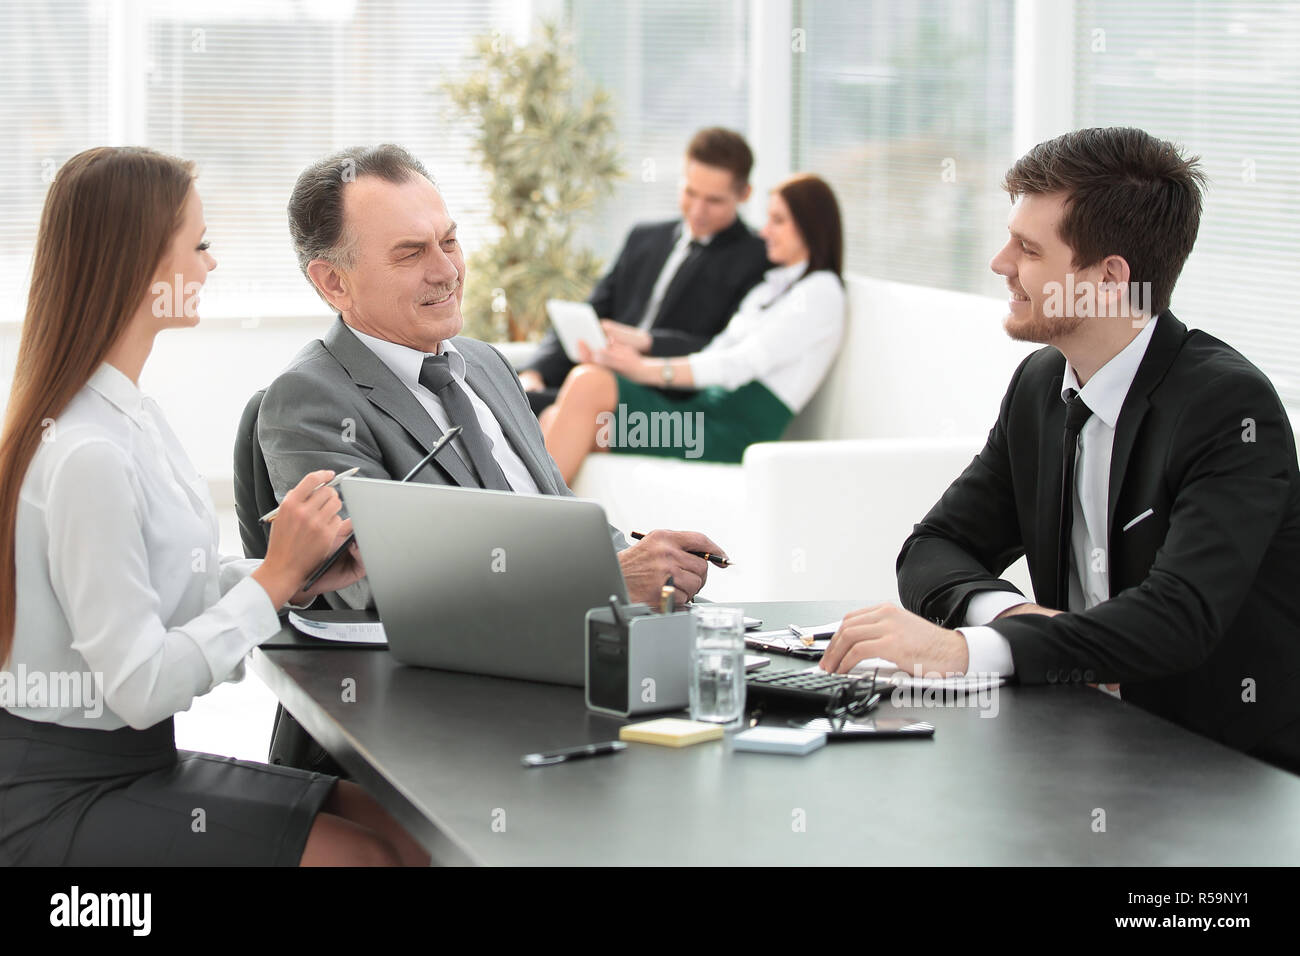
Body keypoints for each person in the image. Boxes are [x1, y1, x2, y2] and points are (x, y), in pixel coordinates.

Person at [818, 127, 1300, 775]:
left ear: (1107, 279)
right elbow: (932, 549)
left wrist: (970, 650)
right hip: (1079, 742)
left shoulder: (1226, 408)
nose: (999, 263)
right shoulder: (1042, 385)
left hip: (1225, 769)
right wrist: (1018, 615)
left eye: (1028, 248)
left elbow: (1179, 618)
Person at [0, 146, 429, 865]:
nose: (211, 265)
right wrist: (267, 582)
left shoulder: (131, 419)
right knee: (367, 860)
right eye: (198, 245)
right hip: (63, 799)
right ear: (138, 265)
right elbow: (140, 686)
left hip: (131, 768)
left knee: (411, 835)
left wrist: (297, 574)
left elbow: (176, 599)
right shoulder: (87, 455)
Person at [258, 144, 725, 612]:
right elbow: (381, 586)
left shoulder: (486, 365)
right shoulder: (309, 399)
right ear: (334, 282)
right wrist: (605, 580)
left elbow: (558, 513)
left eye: (448, 242)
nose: (446, 271)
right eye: (410, 253)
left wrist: (646, 561)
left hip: (580, 637)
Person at [539, 173, 845, 484]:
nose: (765, 231)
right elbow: (716, 352)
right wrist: (630, 355)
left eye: (778, 220)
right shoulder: (771, 289)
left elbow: (740, 363)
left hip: (726, 433)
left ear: (811, 226)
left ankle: (533, 519)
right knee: (559, 415)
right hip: (699, 415)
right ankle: (540, 515)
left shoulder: (820, 293)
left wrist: (643, 368)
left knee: (590, 384)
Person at [518, 127, 770, 415]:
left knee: (507, 406)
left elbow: (726, 349)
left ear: (745, 194)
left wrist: (646, 344)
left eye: (714, 200)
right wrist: (536, 372)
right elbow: (589, 315)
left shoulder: (757, 258)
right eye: (690, 192)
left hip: (662, 399)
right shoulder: (645, 237)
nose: (698, 210)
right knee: (489, 386)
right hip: (593, 377)